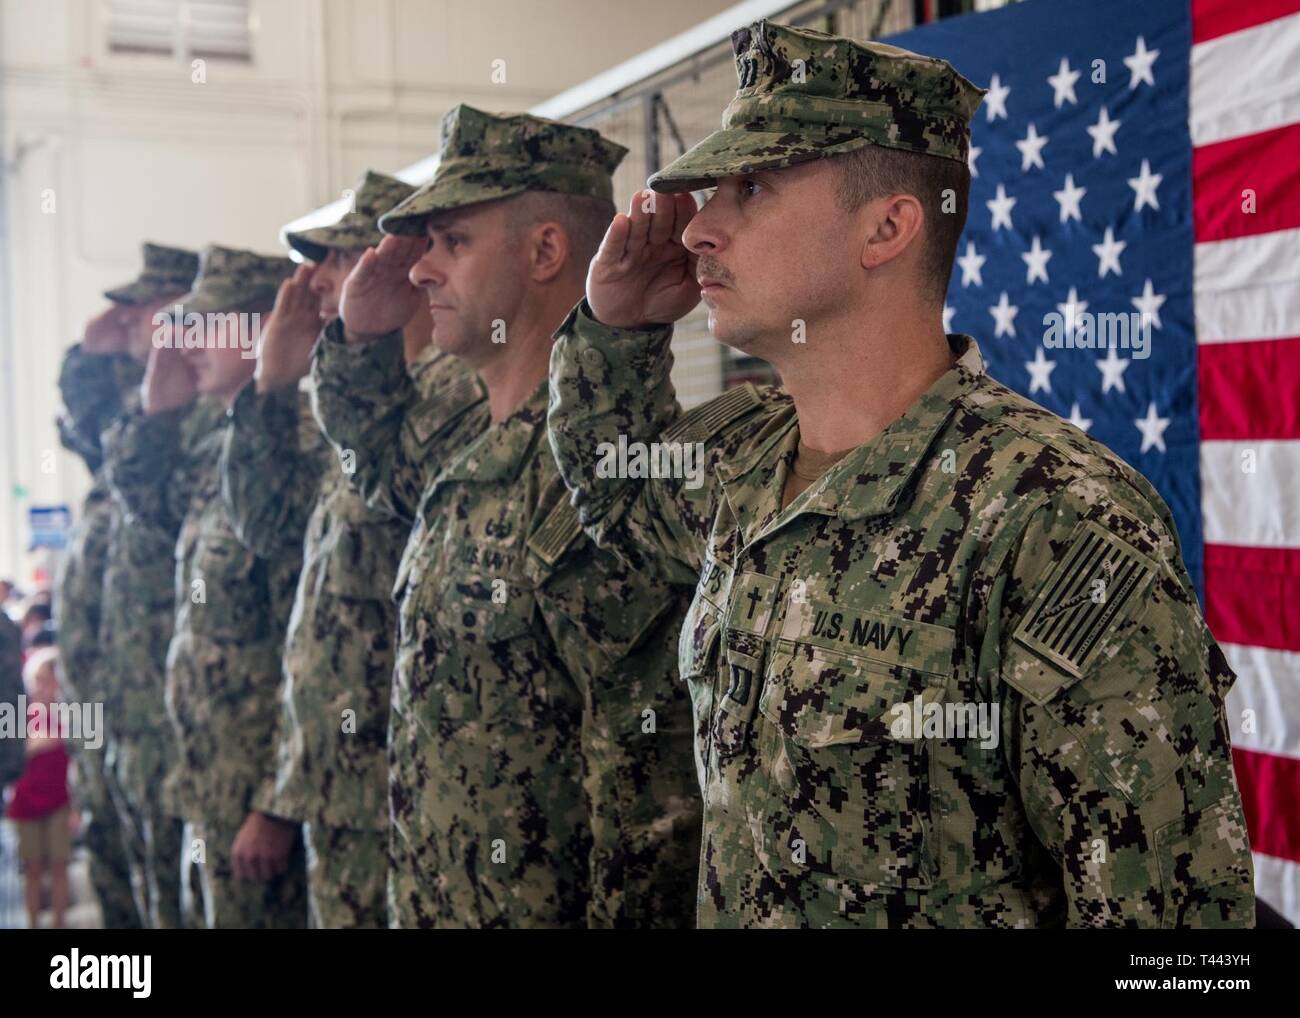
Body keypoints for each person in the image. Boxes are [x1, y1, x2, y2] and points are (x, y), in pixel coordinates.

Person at [546, 20, 1256, 928]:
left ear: (887, 227)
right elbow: (618, 499)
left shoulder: (1057, 518)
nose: (701, 229)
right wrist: (617, 331)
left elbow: (1176, 939)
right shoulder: (746, 455)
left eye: (751, 187)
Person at [312, 104, 701, 928]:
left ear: (545, 251)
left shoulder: (597, 481)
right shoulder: (469, 444)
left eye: (452, 242)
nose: (420, 272)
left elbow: (647, 802)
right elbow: (369, 469)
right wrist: (359, 340)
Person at [219, 170, 483, 927]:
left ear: (400, 259)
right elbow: (271, 534)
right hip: (337, 789)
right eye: (327, 262)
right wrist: (272, 384)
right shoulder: (355, 413)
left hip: (399, 791)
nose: (323, 281)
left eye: (343, 258)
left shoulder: (451, 398)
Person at [103, 246, 308, 928]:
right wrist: (158, 413)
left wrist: (276, 801)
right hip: (204, 775)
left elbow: (305, 642)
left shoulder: (297, 452)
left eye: (208, 328)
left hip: (256, 787)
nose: (187, 345)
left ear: (263, 328)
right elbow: (149, 516)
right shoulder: (213, 450)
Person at [66, 242, 214, 929]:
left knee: (169, 902)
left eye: (142, 307)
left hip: (167, 718)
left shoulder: (198, 421)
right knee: (126, 885)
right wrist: (91, 355)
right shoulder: (141, 417)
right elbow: (97, 429)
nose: (127, 320)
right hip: (118, 713)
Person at [5, 648, 73, 928]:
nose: (40, 688)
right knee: (32, 868)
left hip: (60, 800)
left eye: (47, 680)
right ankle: (32, 922)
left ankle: (59, 921)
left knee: (59, 866)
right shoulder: (16, 714)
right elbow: (15, 752)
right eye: (36, 680)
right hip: (26, 802)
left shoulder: (69, 713)